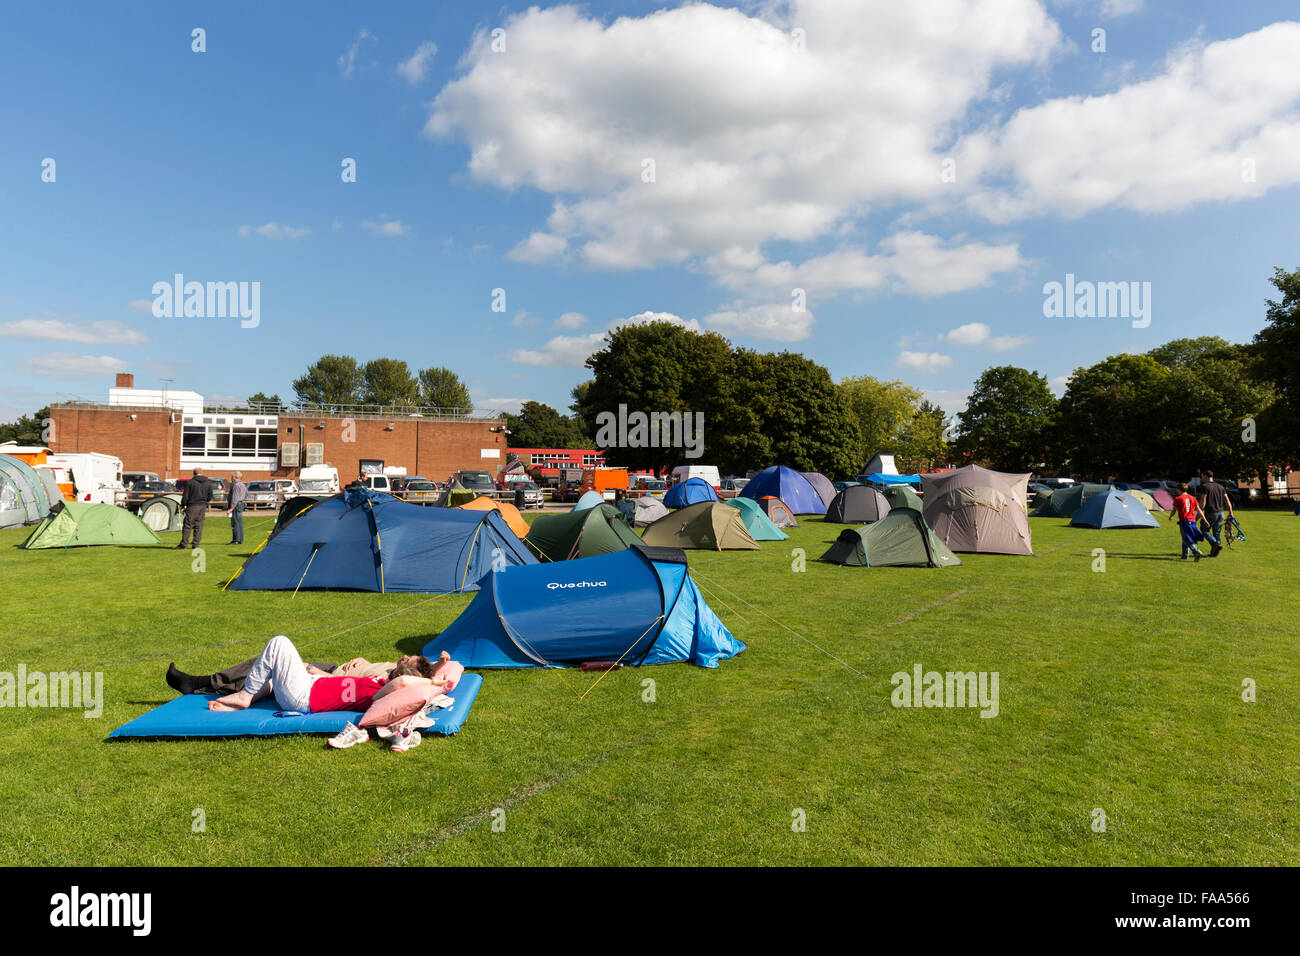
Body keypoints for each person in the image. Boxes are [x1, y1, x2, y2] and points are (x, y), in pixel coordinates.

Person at [205, 636, 441, 714]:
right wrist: (313, 671)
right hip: (310, 685)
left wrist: (430, 681)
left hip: (304, 697)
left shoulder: (379, 693)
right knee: (275, 672)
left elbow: (402, 682)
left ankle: (245, 695)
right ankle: (242, 702)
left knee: (280, 643)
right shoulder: (374, 682)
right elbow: (337, 683)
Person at [1168, 482, 1209, 561]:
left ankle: (1196, 551)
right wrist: (1205, 520)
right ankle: (1185, 555)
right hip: (1192, 521)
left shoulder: (1178, 499)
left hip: (1184, 521)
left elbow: (1174, 510)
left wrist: (1171, 516)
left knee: (1185, 539)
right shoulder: (1193, 498)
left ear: (1179, 490)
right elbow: (1199, 510)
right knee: (1186, 538)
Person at [1196, 471, 1232, 557]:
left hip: (1211, 513)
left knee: (1204, 530)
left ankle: (1215, 543)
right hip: (1221, 513)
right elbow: (1227, 500)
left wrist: (1198, 514)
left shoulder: (1205, 486)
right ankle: (1214, 553)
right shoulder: (1220, 486)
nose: (1201, 478)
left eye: (1202, 476)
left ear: (1205, 476)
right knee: (1217, 532)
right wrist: (1231, 512)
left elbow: (1203, 501)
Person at [177, 467, 214, 549]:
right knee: (199, 525)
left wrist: (183, 505)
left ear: (193, 473)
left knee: (187, 525)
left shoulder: (189, 482)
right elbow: (210, 496)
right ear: (202, 472)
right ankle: (196, 544)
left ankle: (184, 544)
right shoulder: (208, 483)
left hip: (192, 506)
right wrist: (204, 501)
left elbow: (185, 496)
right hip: (202, 506)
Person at [227, 471, 248, 545]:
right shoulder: (242, 484)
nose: (231, 478)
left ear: (235, 477)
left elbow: (235, 498)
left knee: (235, 522)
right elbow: (246, 494)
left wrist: (231, 508)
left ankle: (236, 540)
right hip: (241, 503)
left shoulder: (236, 485)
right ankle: (240, 539)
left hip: (236, 504)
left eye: (232, 476)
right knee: (239, 522)